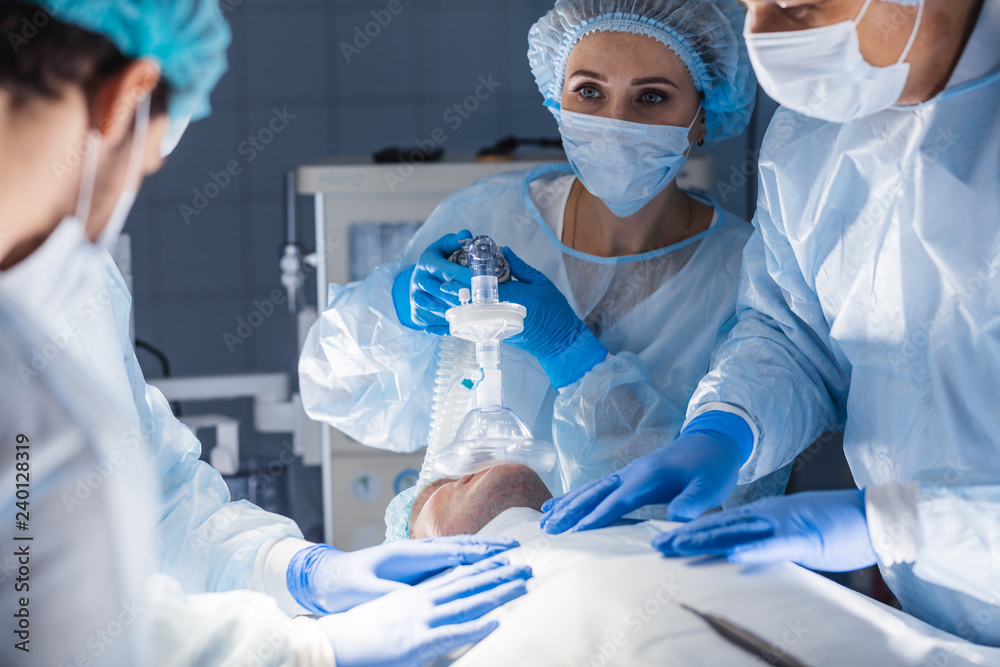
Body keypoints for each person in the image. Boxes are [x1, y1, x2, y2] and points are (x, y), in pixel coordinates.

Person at [0, 1, 531, 664]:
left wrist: (295, 568)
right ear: (126, 97)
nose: (124, 190)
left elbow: (157, 498)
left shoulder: (65, 286)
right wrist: (305, 649)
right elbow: (55, 632)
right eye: (143, 165)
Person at [541, 0, 1000, 647]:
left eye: (797, 6)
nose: (764, 34)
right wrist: (726, 425)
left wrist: (892, 523)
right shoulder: (816, 134)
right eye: (753, 3)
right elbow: (793, 333)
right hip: (933, 615)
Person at [300, 0, 781, 540]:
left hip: (634, 593)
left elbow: (720, 505)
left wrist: (572, 355)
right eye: (589, 92)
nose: (614, 124)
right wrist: (397, 307)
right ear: (557, 99)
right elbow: (332, 387)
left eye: (651, 97)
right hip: (470, 580)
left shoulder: (743, 273)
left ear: (701, 118)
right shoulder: (489, 218)